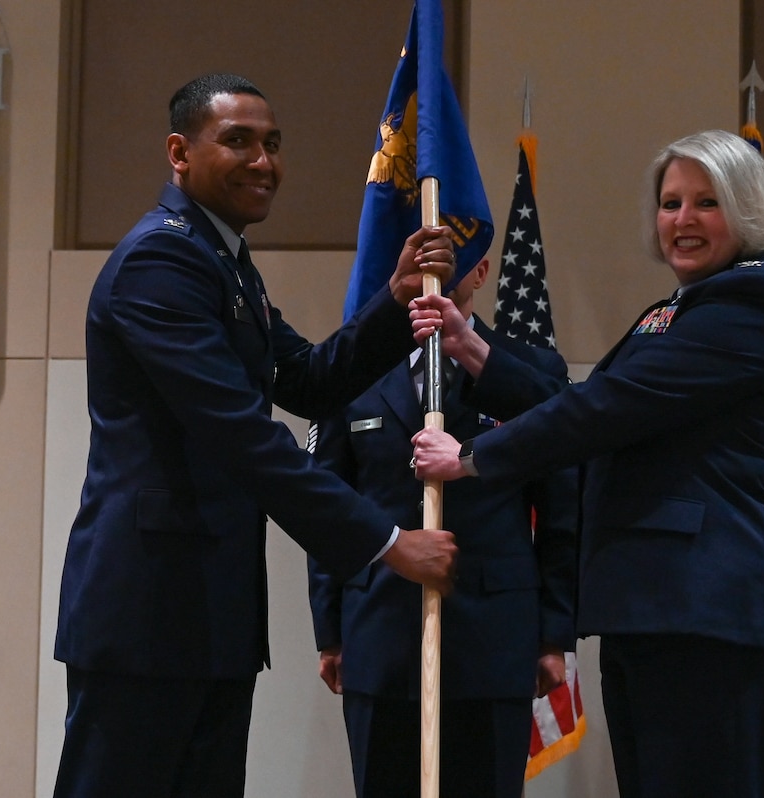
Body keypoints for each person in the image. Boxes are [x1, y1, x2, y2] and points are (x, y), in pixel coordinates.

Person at [53, 73, 460, 798]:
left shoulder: (223, 262)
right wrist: (387, 542)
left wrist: (397, 298)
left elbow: (306, 380)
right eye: (237, 141)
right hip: (148, 613)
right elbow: (242, 437)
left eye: (272, 144)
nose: (263, 161)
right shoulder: (161, 261)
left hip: (206, 614)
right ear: (179, 152)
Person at [410, 129, 764, 798]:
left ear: (747, 210)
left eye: (706, 202)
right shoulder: (683, 309)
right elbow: (600, 405)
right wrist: (474, 351)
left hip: (707, 612)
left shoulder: (750, 306)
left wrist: (474, 456)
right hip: (657, 607)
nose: (682, 219)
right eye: (670, 203)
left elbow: (607, 409)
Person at [308, 257, 577, 798]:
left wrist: (554, 636)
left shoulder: (532, 369)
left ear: (481, 271)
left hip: (494, 640)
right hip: (379, 631)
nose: (437, 266)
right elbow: (328, 507)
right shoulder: (353, 368)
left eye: (455, 255)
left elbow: (561, 514)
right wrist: (330, 631)